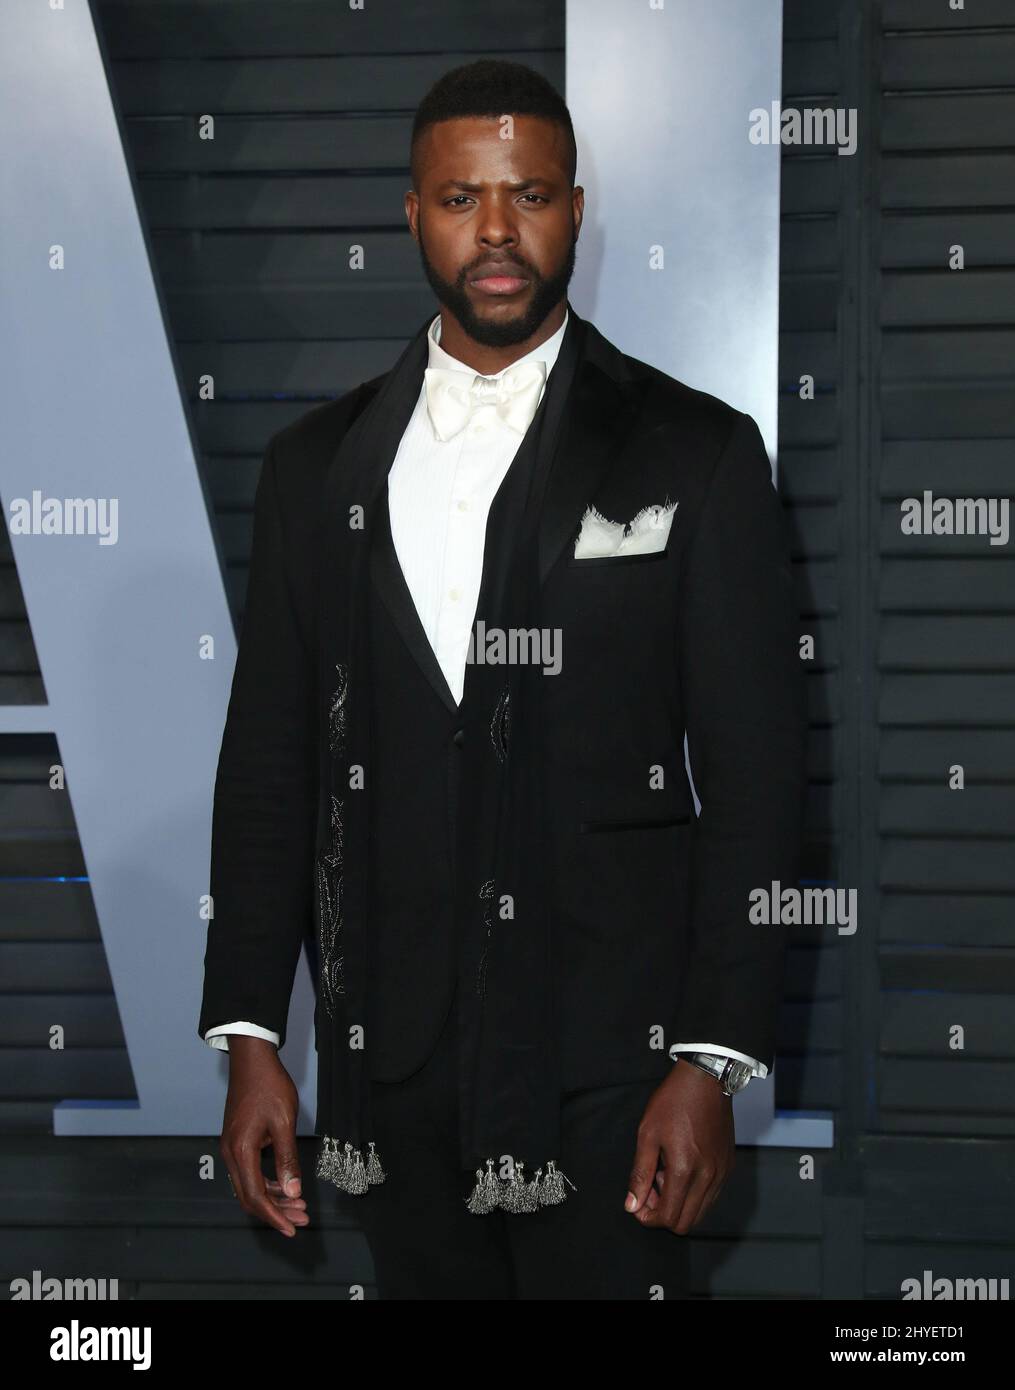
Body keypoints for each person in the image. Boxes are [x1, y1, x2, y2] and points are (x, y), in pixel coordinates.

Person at [198, 58, 807, 1300]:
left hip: (614, 1065)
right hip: (392, 1064)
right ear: (412, 215)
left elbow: (758, 779)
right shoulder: (315, 466)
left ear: (575, 210)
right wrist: (253, 1034)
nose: (495, 233)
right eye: (460, 198)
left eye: (527, 195)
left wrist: (711, 1058)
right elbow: (270, 759)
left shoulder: (695, 450)